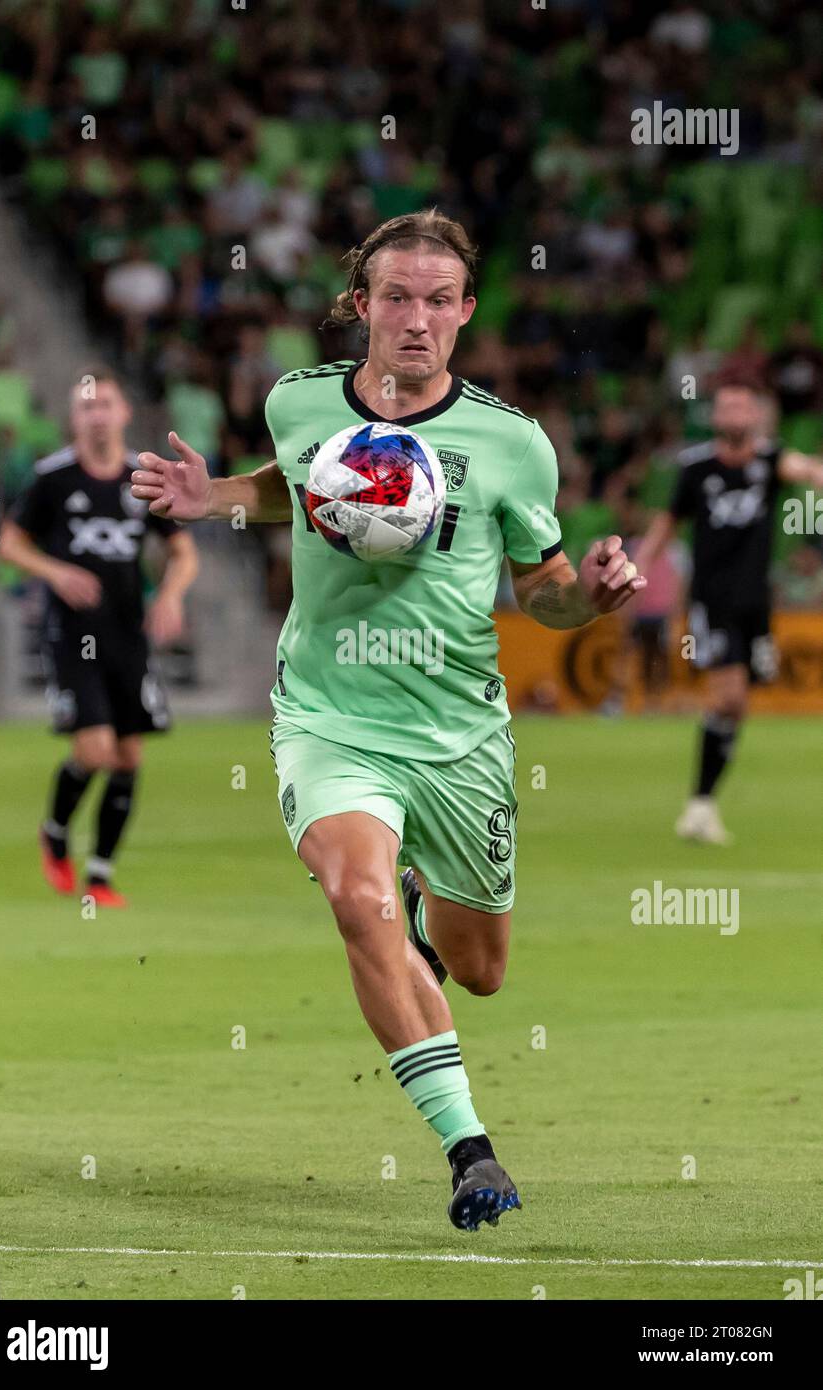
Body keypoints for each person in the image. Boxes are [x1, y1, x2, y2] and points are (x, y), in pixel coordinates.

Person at [131, 210, 645, 1230]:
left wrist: (585, 596)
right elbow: (295, 492)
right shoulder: (298, 402)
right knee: (354, 898)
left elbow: (537, 585)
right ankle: (470, 1150)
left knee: (481, 969)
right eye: (395, 297)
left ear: (463, 312)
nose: (415, 320)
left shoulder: (510, 442)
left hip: (457, 733)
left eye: (436, 301)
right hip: (329, 715)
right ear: (360, 305)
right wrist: (213, 498)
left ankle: (424, 905)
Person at [0, 368, 199, 906]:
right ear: (75, 419)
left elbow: (182, 552)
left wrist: (171, 596)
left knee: (129, 755)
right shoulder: (53, 478)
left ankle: (101, 875)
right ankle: (56, 831)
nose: (97, 415)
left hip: (128, 634)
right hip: (70, 634)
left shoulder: (142, 477)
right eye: (87, 407)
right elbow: (9, 544)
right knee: (96, 748)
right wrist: (55, 572)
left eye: (105, 404)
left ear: (124, 413)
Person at [635, 378, 823, 844]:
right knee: (730, 697)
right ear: (716, 418)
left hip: (756, 604)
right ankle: (699, 805)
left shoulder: (770, 461)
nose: (736, 414)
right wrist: (639, 568)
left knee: (737, 707)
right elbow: (666, 523)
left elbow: (807, 469)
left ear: (755, 416)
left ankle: (702, 807)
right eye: (727, 407)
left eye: (744, 405)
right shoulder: (696, 467)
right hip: (711, 601)